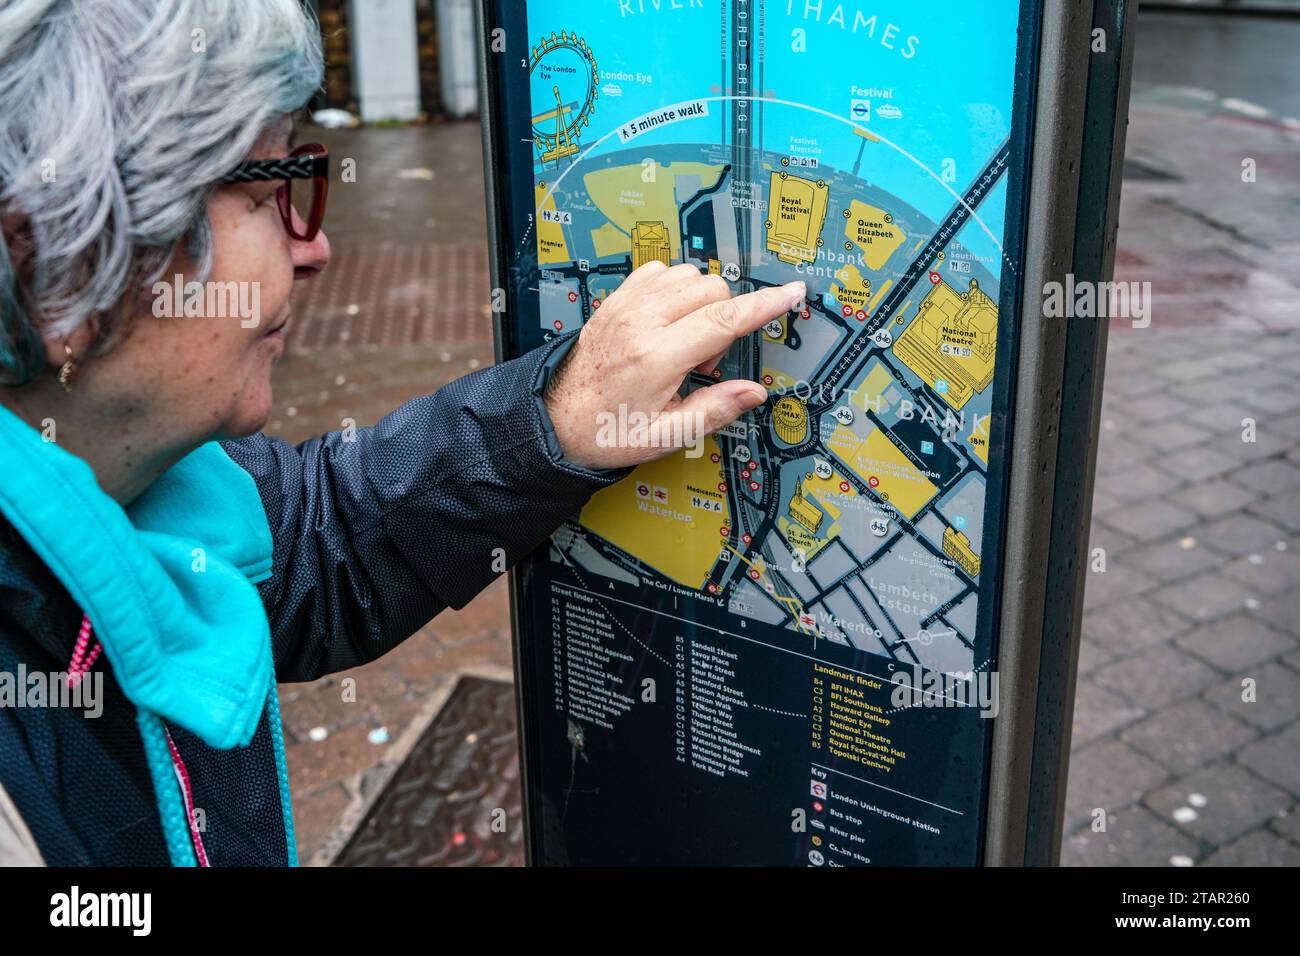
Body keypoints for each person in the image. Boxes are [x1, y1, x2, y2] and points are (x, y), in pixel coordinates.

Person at [0, 0, 802, 865]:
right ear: (59, 263)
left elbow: (321, 543)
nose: (314, 250)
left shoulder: (150, 487)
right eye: (274, 195)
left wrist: (553, 420)